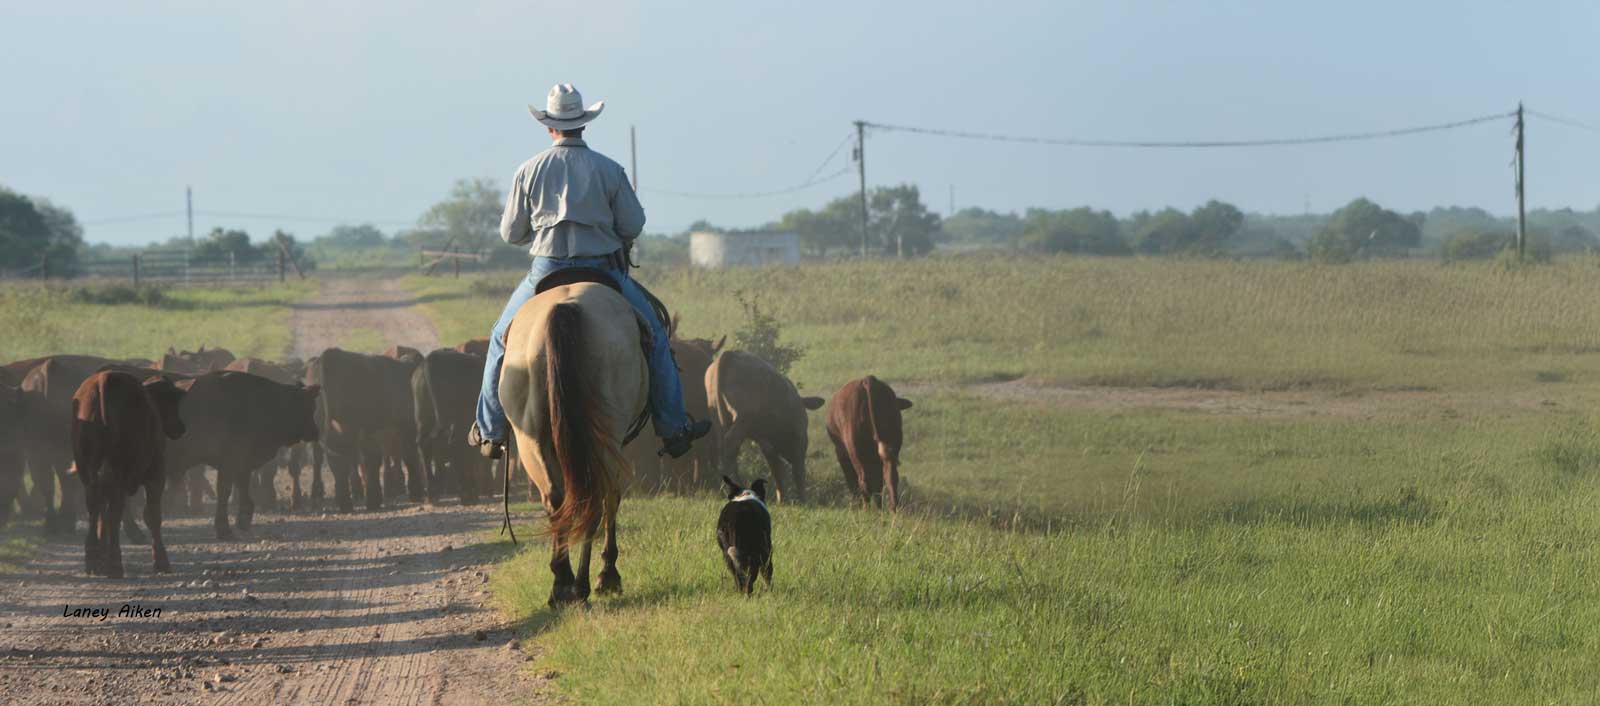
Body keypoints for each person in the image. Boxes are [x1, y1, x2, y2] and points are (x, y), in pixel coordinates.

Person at [469, 83, 711, 460]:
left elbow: (510, 233)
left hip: (546, 271)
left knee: (500, 339)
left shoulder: (528, 170)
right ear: (584, 125)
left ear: (549, 127)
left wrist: (543, 227)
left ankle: (490, 430)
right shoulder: (610, 170)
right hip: (604, 272)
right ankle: (672, 425)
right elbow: (632, 226)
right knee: (657, 339)